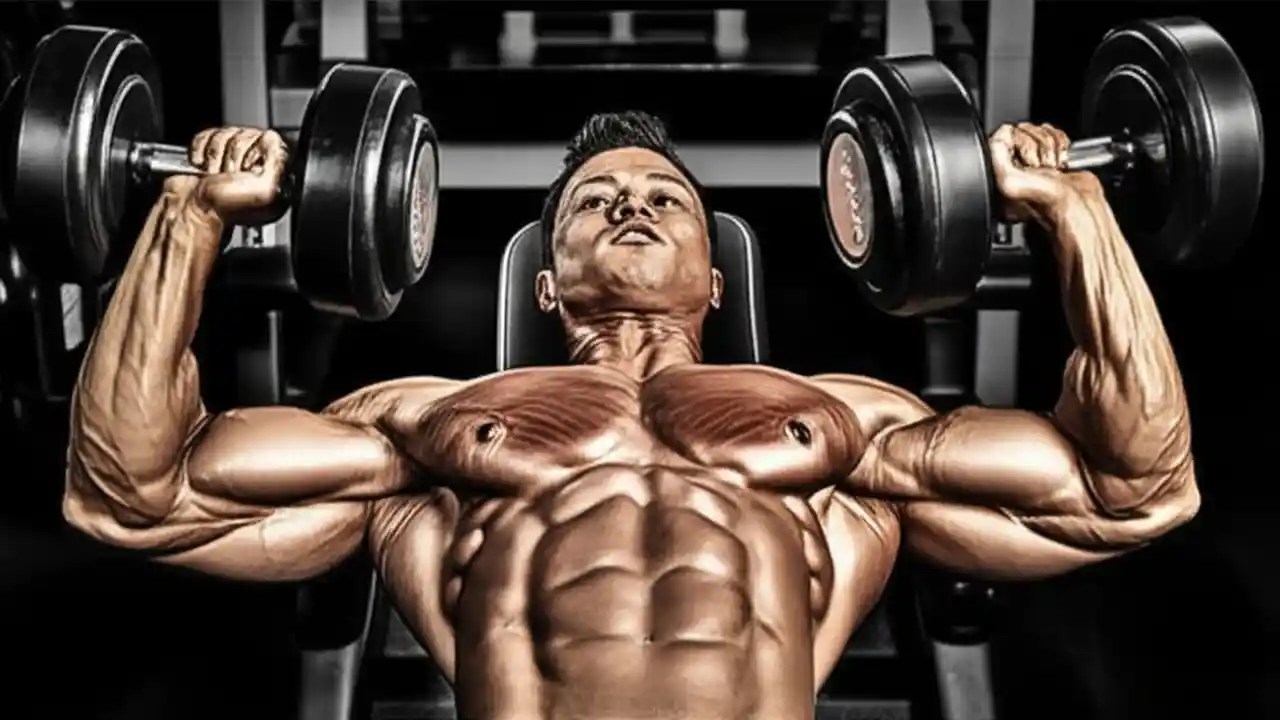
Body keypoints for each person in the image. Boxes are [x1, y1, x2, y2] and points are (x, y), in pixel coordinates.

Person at [63, 110, 1199, 719]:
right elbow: (132, 489)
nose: (629, 204)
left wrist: (1075, 207)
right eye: (594, 201)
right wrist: (188, 214)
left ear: (714, 278)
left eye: (665, 198)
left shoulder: (847, 429)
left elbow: (1134, 483)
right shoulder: (426, 428)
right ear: (544, 283)